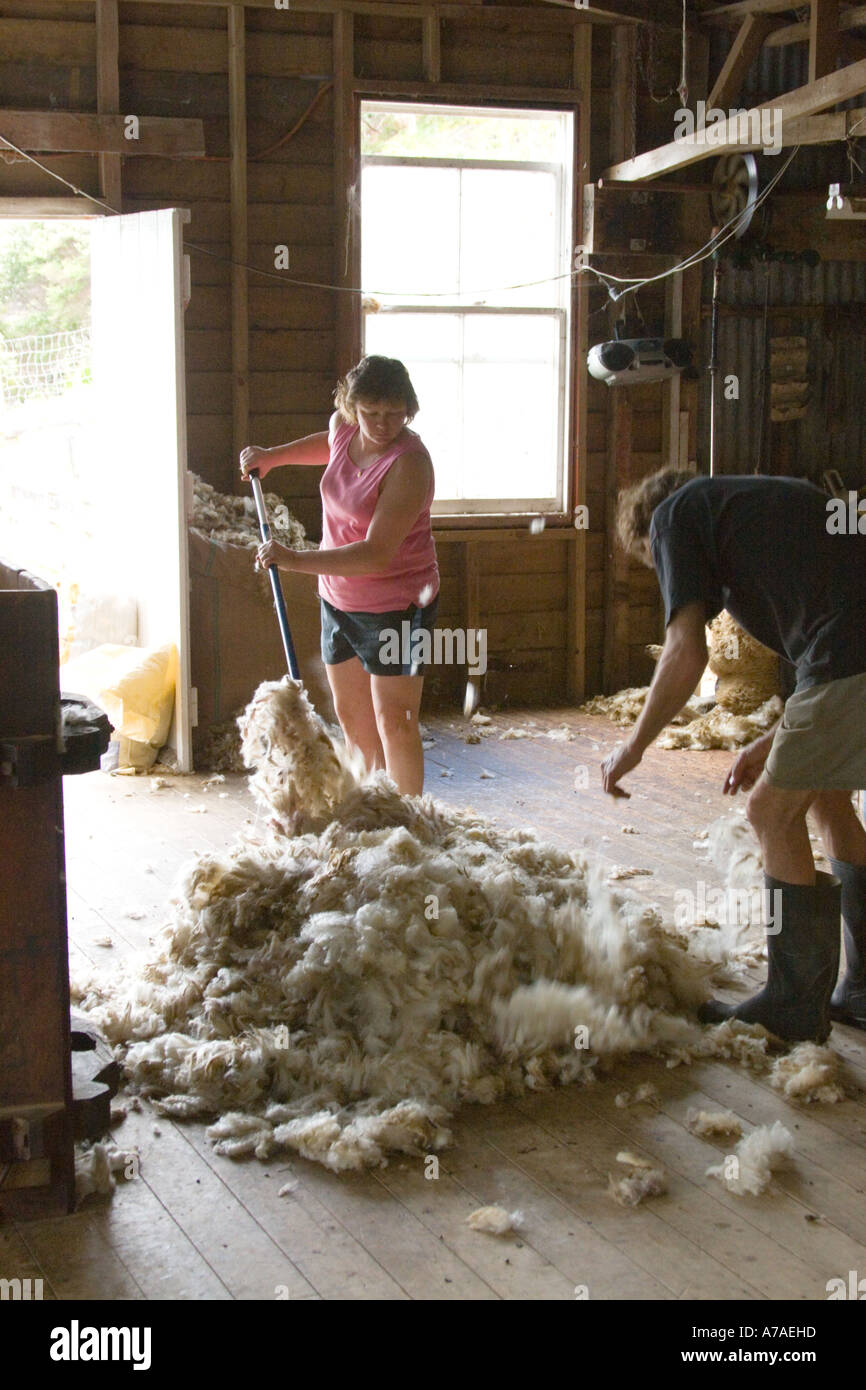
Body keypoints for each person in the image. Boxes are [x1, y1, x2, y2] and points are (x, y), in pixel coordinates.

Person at [601, 467, 866, 1043]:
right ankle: (863, 989)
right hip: (849, 647)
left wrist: (632, 746)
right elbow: (830, 607)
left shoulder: (674, 519)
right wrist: (772, 740)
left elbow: (684, 651)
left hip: (850, 649)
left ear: (651, 539)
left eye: (656, 567)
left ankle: (793, 1009)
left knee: (771, 812)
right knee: (827, 799)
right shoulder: (752, 508)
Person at [239, 355, 439, 796]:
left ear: (409, 408)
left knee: (396, 719)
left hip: (397, 605)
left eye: (394, 413)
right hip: (339, 598)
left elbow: (375, 554)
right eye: (370, 413)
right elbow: (329, 444)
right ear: (352, 407)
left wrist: (293, 559)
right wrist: (274, 458)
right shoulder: (345, 426)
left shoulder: (410, 464)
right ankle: (370, 807)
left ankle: (409, 819)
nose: (382, 424)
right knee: (352, 716)